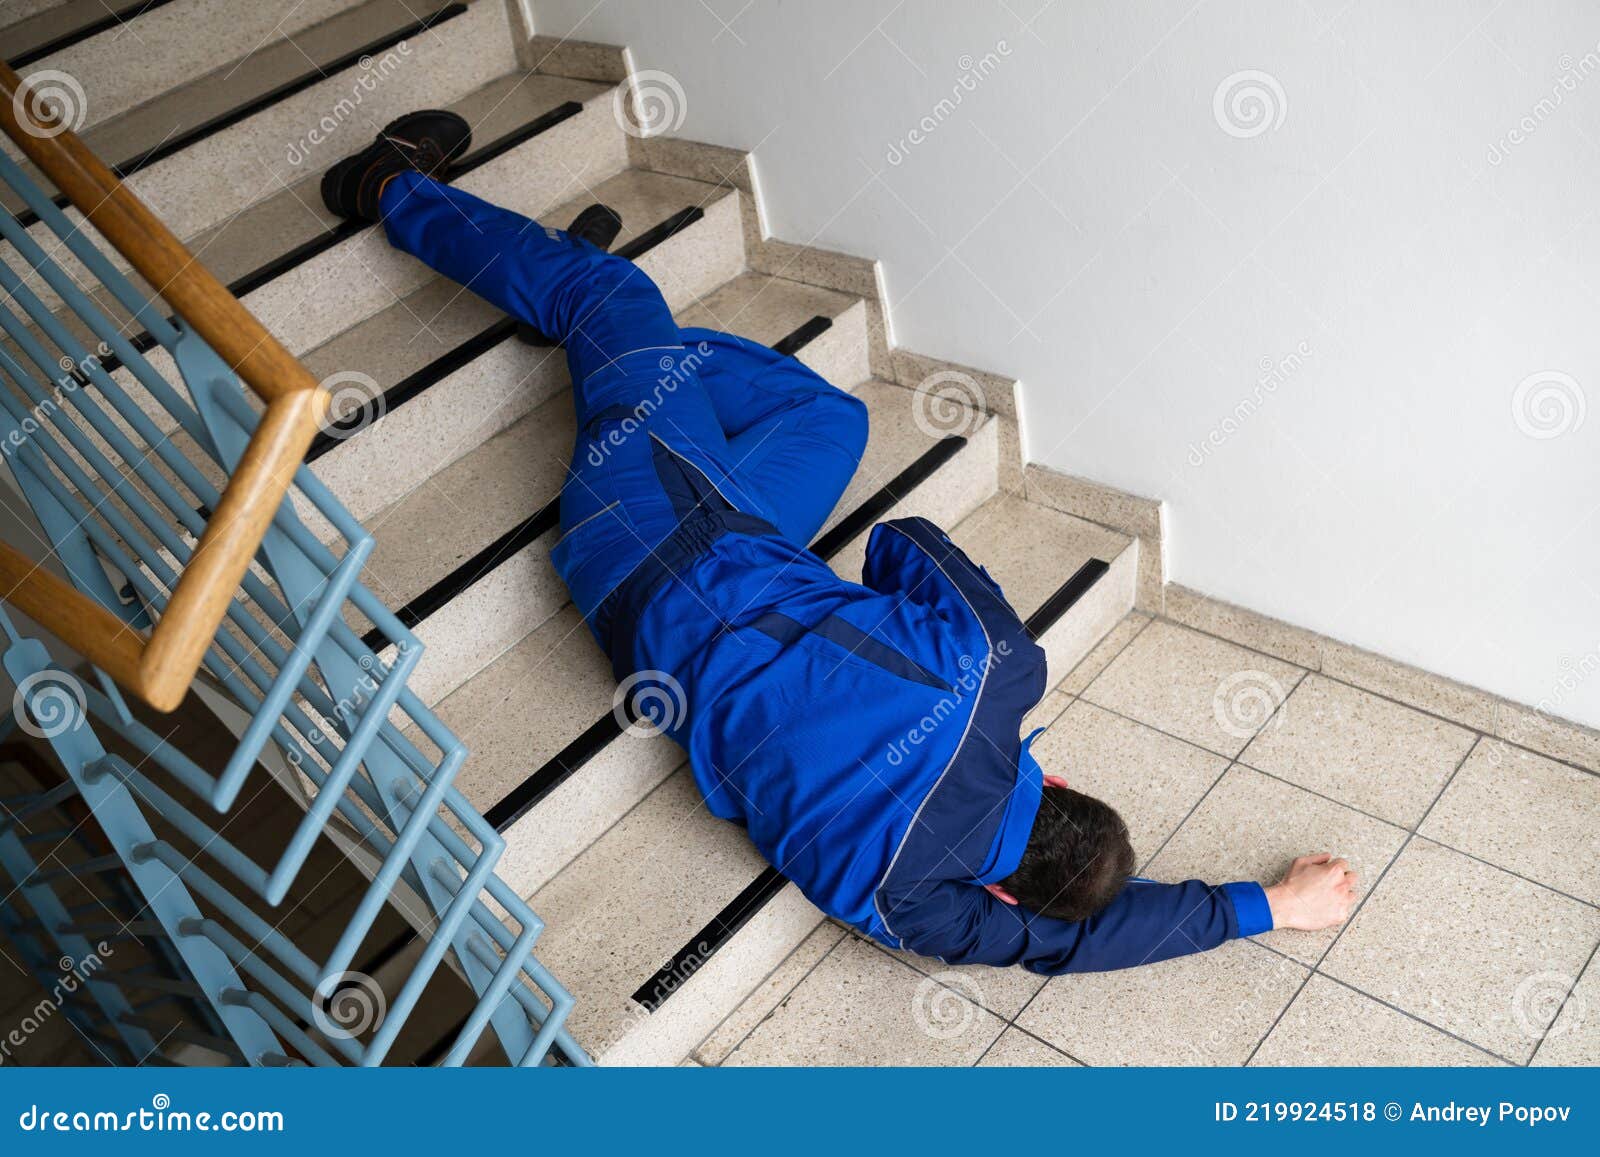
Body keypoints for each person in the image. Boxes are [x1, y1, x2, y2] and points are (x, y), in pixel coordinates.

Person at [321, 113, 1358, 974]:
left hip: (660, 524)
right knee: (828, 425)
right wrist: (1268, 907)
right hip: (634, 609)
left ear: (1057, 780)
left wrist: (932, 672)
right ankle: (599, 349)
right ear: (1001, 889)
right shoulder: (916, 908)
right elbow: (1075, 944)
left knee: (615, 300)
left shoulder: (995, 669)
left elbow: (900, 541)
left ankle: (388, 190)